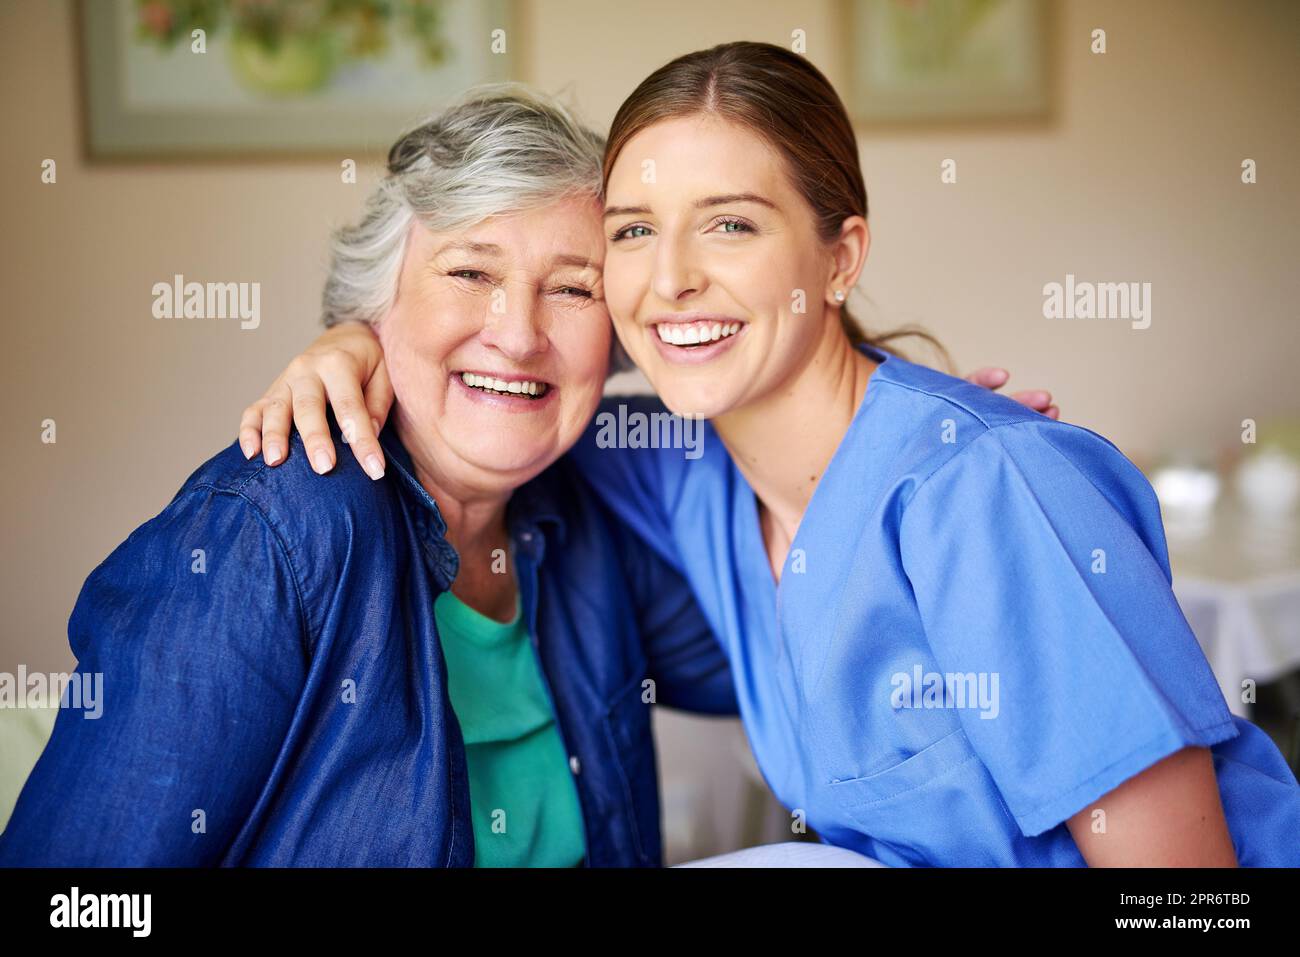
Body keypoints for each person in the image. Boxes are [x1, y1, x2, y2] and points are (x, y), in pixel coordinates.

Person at [247, 43, 1300, 866]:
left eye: (731, 227)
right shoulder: (667, 460)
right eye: (631, 232)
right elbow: (516, 383)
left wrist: (972, 450)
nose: (671, 280)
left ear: (839, 257)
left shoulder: (979, 496)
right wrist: (360, 338)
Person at [0, 87, 739, 868]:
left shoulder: (589, 513)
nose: (519, 335)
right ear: (374, 309)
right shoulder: (271, 532)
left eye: (572, 288)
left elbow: (807, 665)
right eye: (468, 273)